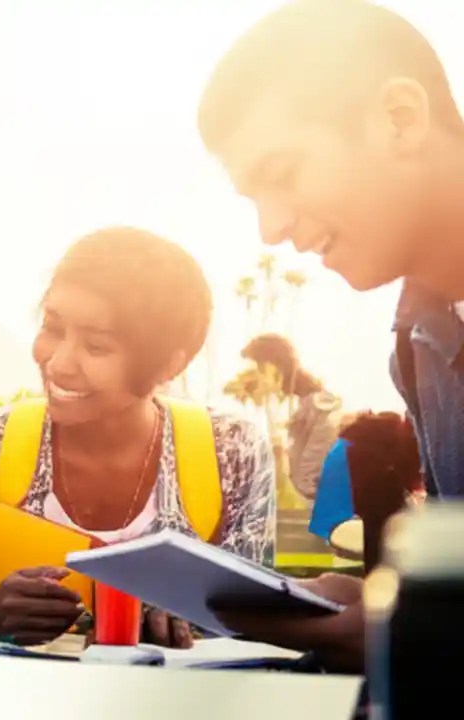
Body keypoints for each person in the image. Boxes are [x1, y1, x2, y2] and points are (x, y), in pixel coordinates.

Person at [198, 0, 464, 672]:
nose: (271, 228)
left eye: (281, 175)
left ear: (399, 117)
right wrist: (382, 602)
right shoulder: (421, 338)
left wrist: (394, 635)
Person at [0, 227, 276, 647]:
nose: (58, 363)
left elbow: (259, 630)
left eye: (97, 346)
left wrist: (189, 620)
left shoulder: (232, 451)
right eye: (52, 327)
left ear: (169, 364)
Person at [241, 333, 343, 499]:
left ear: (275, 368)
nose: (252, 380)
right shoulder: (291, 408)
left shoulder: (321, 409)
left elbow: (308, 480)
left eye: (258, 370)